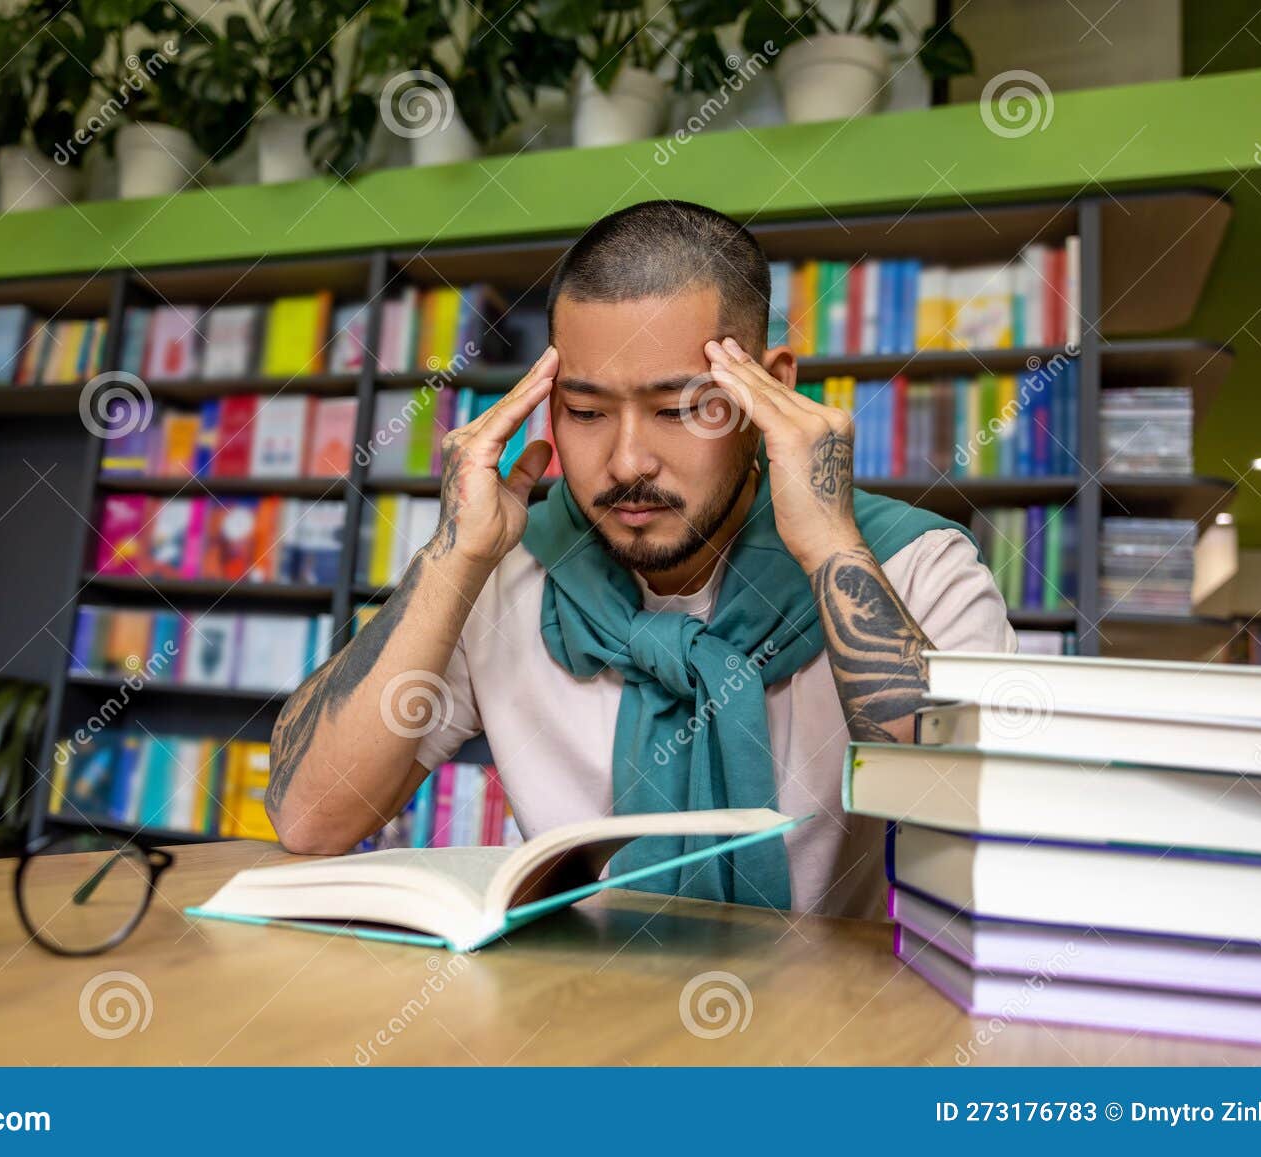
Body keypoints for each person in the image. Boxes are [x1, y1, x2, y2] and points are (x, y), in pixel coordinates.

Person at [266, 199, 1015, 918]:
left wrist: (827, 541)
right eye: (586, 412)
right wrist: (451, 558)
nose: (627, 461)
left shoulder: (917, 568)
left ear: (770, 392)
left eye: (679, 408)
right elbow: (311, 819)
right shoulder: (504, 570)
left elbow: (983, 828)